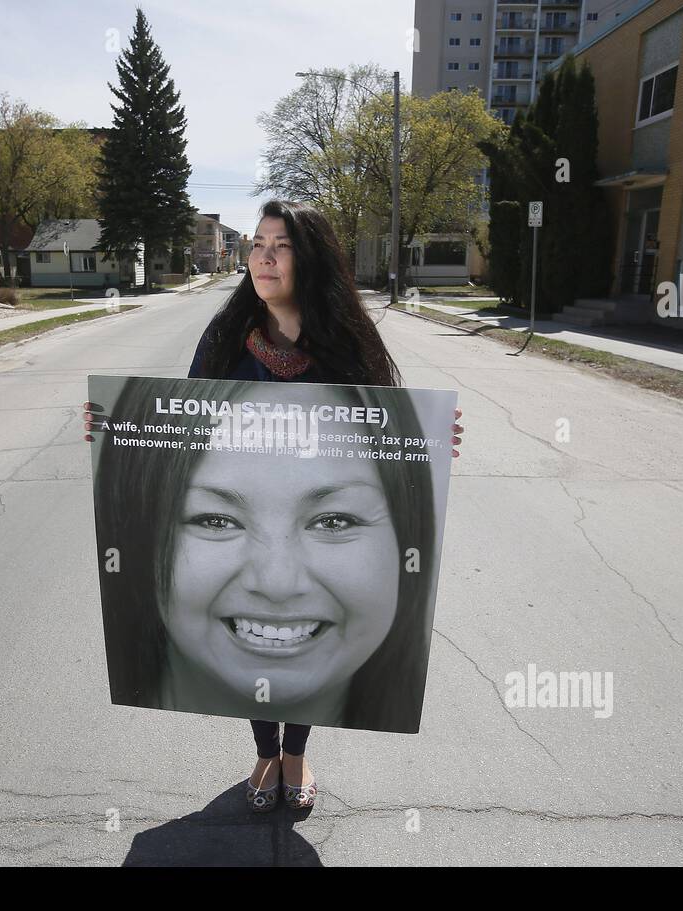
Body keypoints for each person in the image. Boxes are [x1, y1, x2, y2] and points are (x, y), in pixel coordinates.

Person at [86, 199, 464, 813]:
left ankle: (297, 751)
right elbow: (180, 431)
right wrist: (112, 431)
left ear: (308, 258)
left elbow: (392, 443)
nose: (263, 256)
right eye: (258, 244)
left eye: (281, 245)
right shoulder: (224, 339)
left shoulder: (347, 347)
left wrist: (432, 442)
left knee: (300, 627)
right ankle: (266, 751)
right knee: (257, 630)